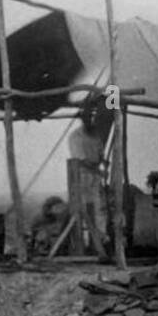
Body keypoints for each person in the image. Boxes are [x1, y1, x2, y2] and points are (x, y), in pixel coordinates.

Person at [68, 92, 113, 256]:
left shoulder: (96, 137)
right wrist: (98, 169)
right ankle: (87, 245)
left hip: (94, 177)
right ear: (82, 118)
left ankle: (101, 241)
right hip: (81, 178)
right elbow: (81, 160)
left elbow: (99, 156)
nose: (90, 119)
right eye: (87, 116)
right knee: (86, 210)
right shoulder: (75, 137)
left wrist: (104, 164)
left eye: (92, 116)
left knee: (100, 209)